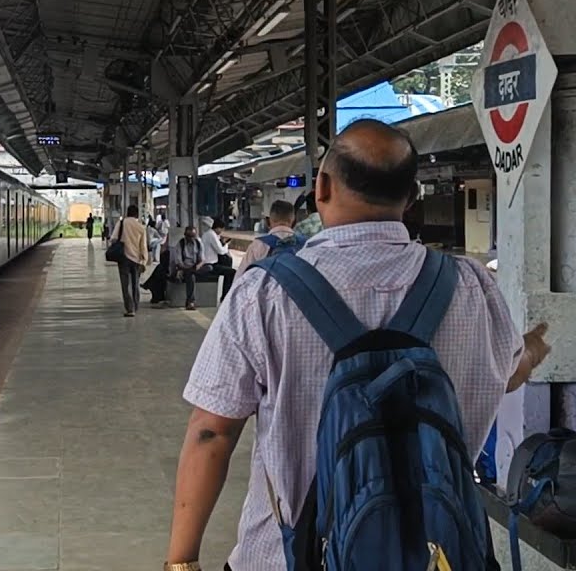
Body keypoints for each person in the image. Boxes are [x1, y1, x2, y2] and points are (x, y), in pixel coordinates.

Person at [164, 119, 551, 571]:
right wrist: (532, 349)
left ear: (322, 187)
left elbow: (212, 431)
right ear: (410, 199)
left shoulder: (263, 295)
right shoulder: (470, 286)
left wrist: (182, 562)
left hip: (286, 558)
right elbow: (506, 372)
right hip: (436, 554)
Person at [236, 200, 302, 276]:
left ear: (267, 221)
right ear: (294, 222)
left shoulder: (257, 245)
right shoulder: (305, 245)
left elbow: (240, 278)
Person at [111, 204, 150, 317]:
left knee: (125, 284)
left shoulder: (122, 223)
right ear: (137, 214)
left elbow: (113, 238)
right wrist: (144, 261)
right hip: (137, 260)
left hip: (124, 258)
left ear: (127, 213)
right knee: (135, 284)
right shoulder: (140, 227)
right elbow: (143, 247)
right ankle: (136, 306)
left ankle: (130, 309)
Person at [198, 217, 237, 300]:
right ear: (218, 228)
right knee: (232, 272)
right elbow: (221, 251)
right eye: (221, 229)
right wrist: (226, 245)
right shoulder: (212, 235)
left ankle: (225, 294)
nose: (221, 232)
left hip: (210, 262)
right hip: (210, 264)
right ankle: (225, 295)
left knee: (228, 264)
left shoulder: (208, 234)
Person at [171, 226, 205, 311]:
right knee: (191, 276)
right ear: (185, 235)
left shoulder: (198, 243)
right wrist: (185, 268)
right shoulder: (180, 244)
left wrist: (198, 265)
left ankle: (191, 272)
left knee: (209, 268)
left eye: (192, 236)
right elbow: (178, 261)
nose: (191, 238)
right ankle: (190, 302)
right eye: (188, 236)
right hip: (184, 268)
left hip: (195, 267)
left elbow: (202, 259)